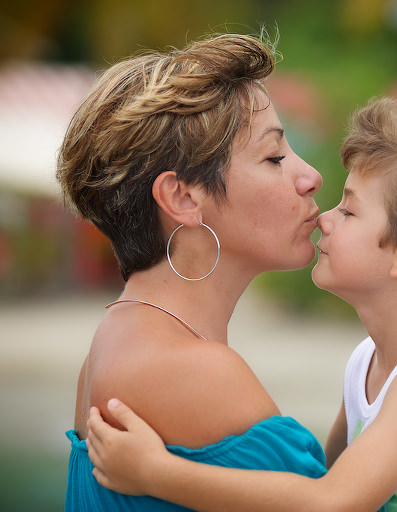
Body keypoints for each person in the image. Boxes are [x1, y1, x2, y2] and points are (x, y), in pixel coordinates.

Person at [87, 96, 397, 511]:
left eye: (349, 211)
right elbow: (316, 482)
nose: (325, 218)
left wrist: (155, 474)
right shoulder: (366, 364)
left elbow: (330, 502)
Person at [57, 32, 326, 511]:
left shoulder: (117, 338)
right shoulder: (193, 371)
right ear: (182, 198)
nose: (310, 177)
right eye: (275, 157)